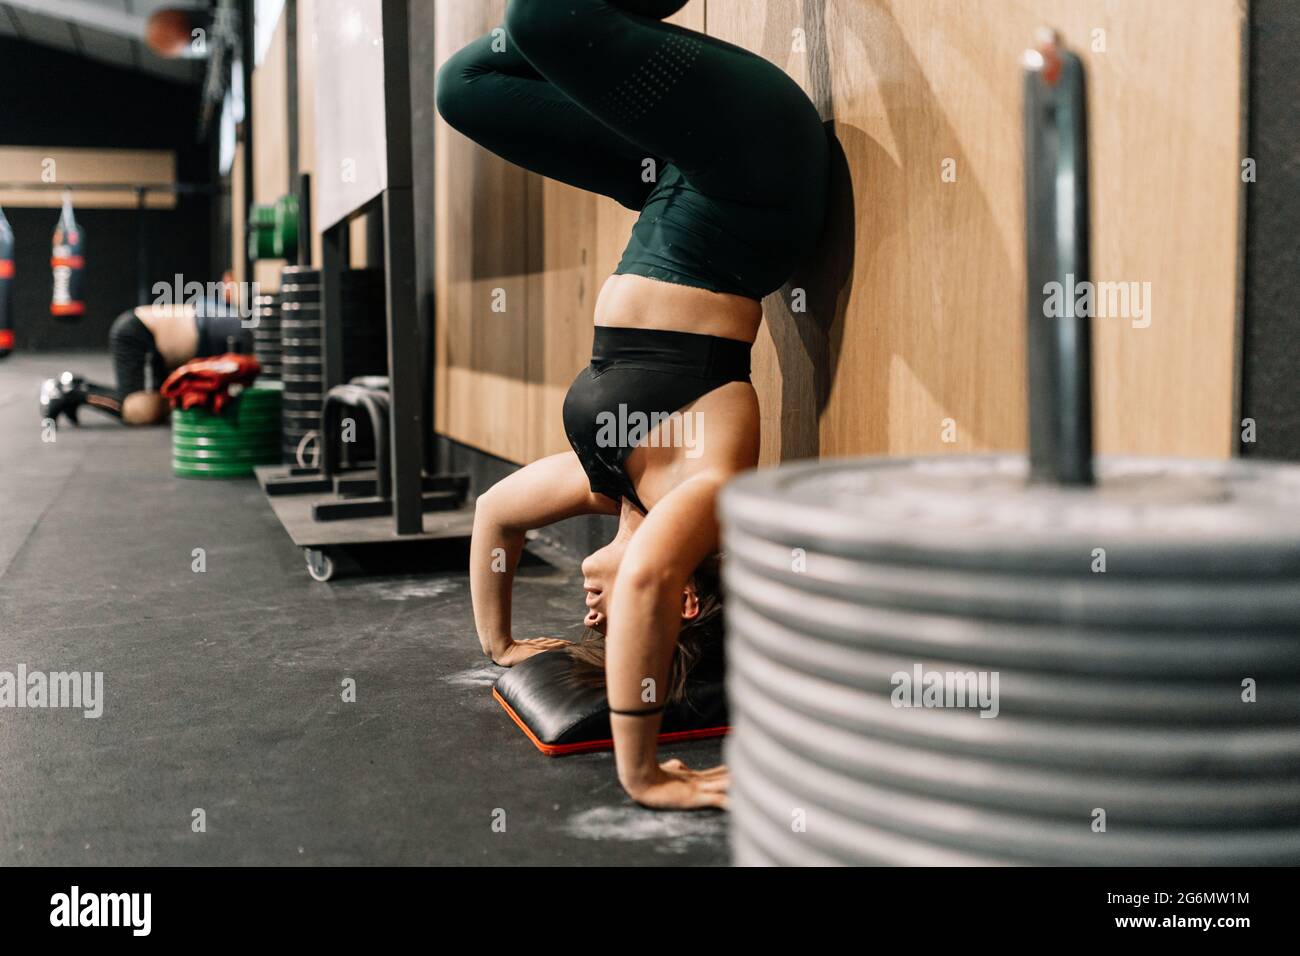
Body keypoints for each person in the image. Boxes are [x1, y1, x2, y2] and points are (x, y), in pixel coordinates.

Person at [438, 0, 828, 810]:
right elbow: (645, 578)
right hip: (754, 174)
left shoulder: (611, 480)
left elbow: (497, 515)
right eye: (608, 627)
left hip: (670, 184)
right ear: (685, 598)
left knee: (465, 87)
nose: (589, 614)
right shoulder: (702, 499)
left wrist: (502, 642)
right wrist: (643, 772)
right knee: (544, 19)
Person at [39, 272, 252, 427]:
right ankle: (70, 393)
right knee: (138, 412)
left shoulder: (233, 323)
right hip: (137, 333)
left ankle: (78, 387)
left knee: (162, 409)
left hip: (162, 346)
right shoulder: (242, 334)